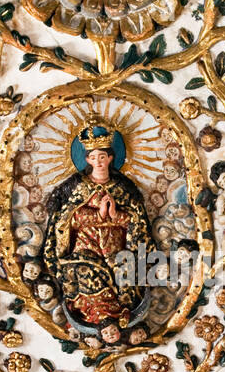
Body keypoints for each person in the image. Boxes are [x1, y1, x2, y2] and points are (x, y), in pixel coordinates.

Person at [42, 123, 151, 336]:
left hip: (115, 246)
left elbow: (136, 220)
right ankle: (95, 316)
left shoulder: (122, 187)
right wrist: (97, 215)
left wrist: (116, 216)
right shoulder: (77, 187)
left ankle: (121, 313)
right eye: (94, 157)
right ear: (87, 160)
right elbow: (65, 220)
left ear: (111, 158)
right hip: (85, 245)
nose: (99, 162)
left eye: (103, 157)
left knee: (125, 273)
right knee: (84, 271)